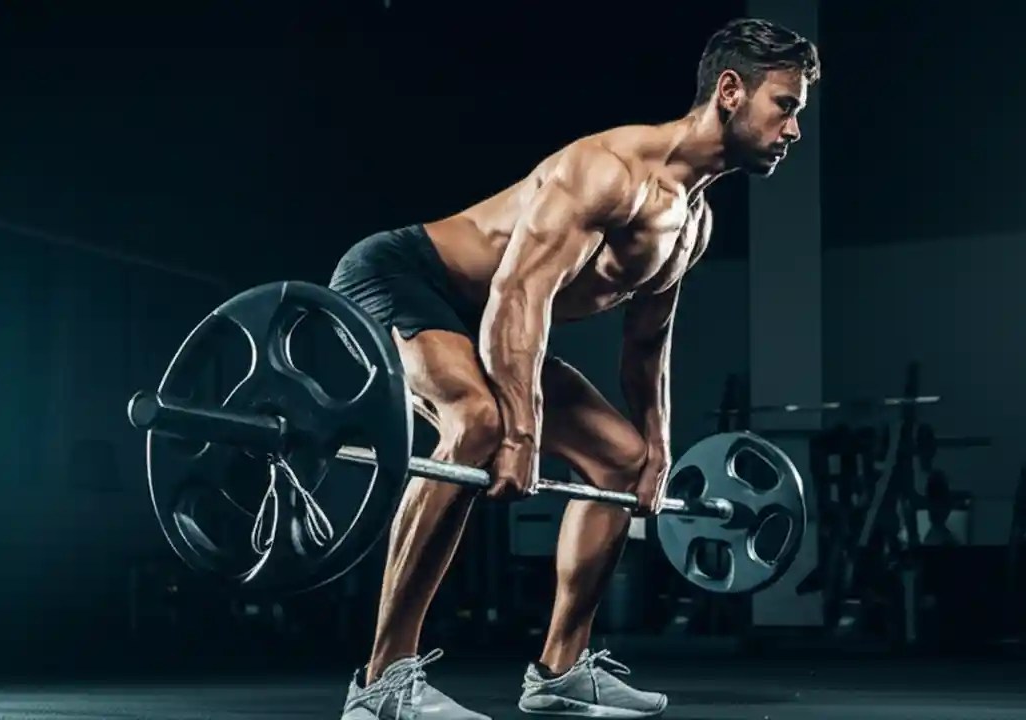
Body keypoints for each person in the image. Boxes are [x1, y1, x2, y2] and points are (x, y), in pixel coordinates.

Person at [331, 17, 819, 720]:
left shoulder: (694, 221)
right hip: (408, 276)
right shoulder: (609, 170)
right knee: (476, 422)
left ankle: (559, 671)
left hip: (492, 320)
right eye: (788, 106)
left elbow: (646, 346)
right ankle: (381, 683)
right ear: (732, 92)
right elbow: (517, 293)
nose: (795, 129)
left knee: (619, 463)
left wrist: (659, 449)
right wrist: (520, 434)